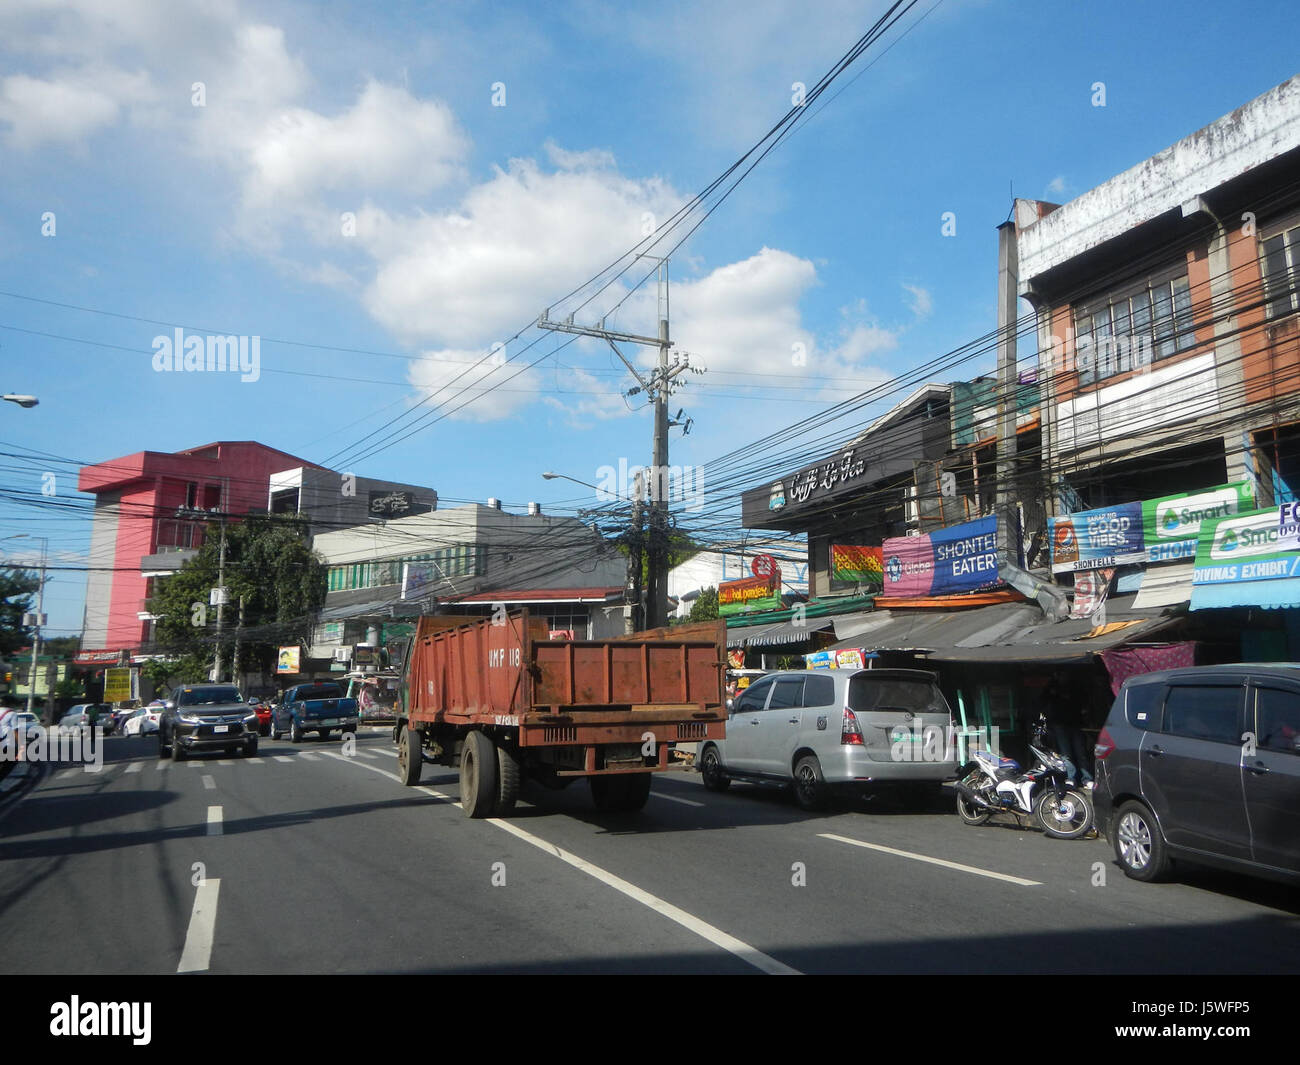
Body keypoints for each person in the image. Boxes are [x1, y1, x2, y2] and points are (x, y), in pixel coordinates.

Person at [1042, 670, 1093, 787]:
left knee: (1080, 752)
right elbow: (1044, 701)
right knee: (1066, 754)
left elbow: (1082, 702)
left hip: (1075, 723)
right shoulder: (1052, 687)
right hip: (1059, 724)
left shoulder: (1075, 687)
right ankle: (1071, 777)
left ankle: (1086, 778)